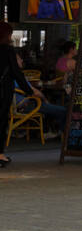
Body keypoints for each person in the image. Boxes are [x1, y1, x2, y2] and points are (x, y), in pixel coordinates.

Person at [0, 21, 46, 164]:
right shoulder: (7, 50)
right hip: (2, 92)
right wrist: (28, 91)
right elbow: (16, 72)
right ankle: (0, 155)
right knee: (1, 122)